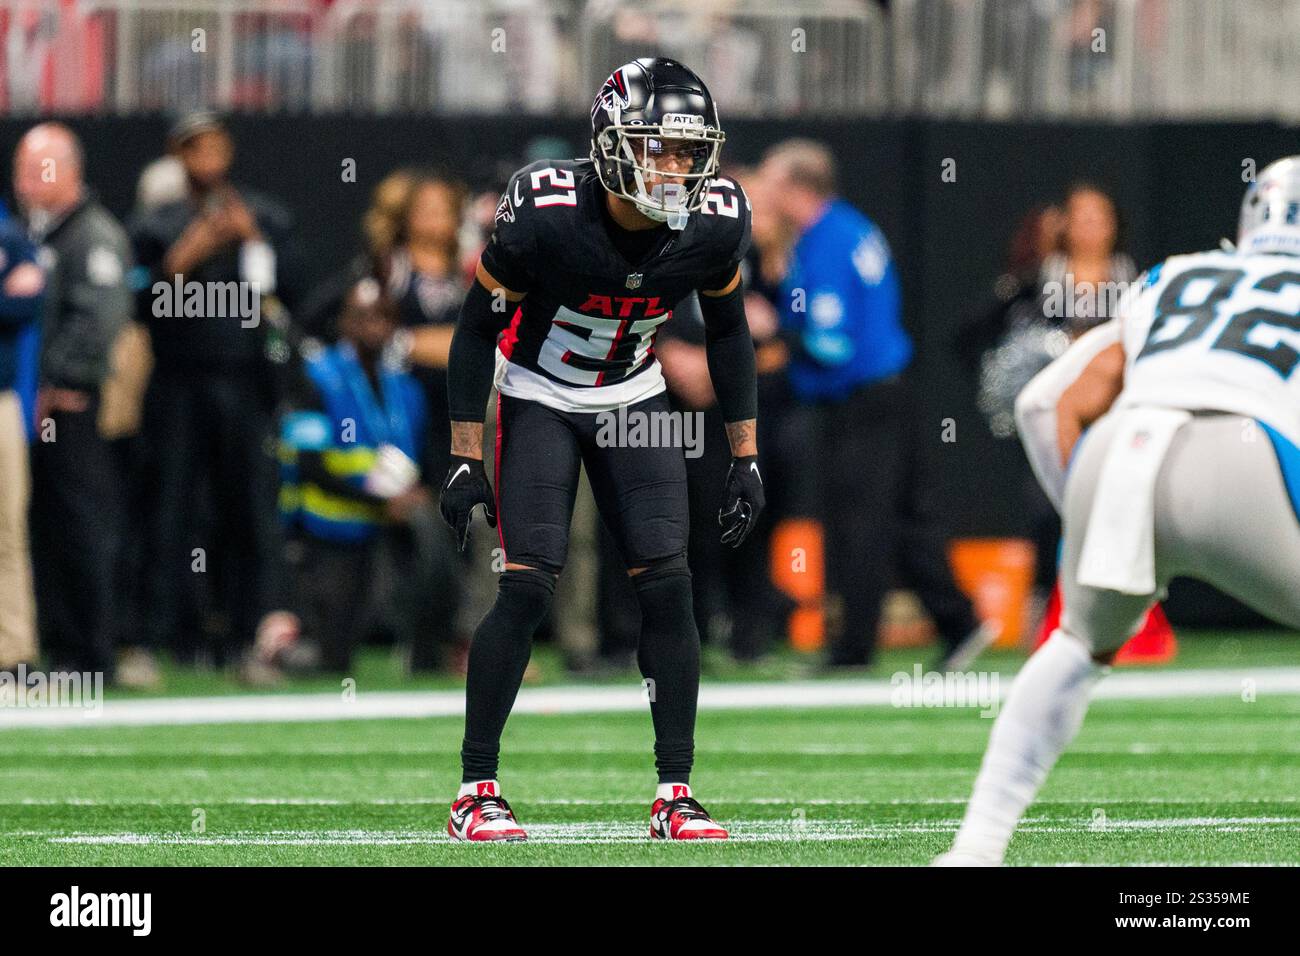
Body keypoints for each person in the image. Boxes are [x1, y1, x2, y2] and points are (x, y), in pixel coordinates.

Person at [937, 157, 1300, 866]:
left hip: (1124, 446)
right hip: (1247, 456)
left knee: (1076, 647)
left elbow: (1046, 402)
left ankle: (975, 849)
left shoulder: (1180, 274)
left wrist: (1089, 517)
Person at [440, 58, 762, 841]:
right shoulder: (545, 209)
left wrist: (745, 455)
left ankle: (675, 792)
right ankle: (475, 789)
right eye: (656, 148)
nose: (675, 167)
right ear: (611, 143)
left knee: (669, 587)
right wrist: (464, 454)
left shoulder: (716, 218)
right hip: (539, 391)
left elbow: (728, 332)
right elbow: (476, 327)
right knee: (527, 586)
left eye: (688, 152)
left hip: (632, 394)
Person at [759, 139, 983, 669]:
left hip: (861, 401)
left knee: (859, 523)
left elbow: (833, 343)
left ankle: (854, 646)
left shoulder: (828, 241)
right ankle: (960, 620)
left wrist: (775, 332)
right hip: (885, 390)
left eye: (771, 183)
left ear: (797, 188)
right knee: (908, 516)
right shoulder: (845, 228)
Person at [129, 112, 299, 675]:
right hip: (180, 379)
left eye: (216, 147)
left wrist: (252, 239)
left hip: (245, 381)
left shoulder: (261, 214)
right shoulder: (157, 224)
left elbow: (290, 293)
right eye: (195, 149)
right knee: (171, 508)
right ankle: (157, 636)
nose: (208, 159)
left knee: (249, 509)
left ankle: (251, 635)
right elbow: (141, 305)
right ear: (179, 156)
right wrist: (189, 251)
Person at [281, 278, 454, 672]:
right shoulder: (317, 377)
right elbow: (308, 465)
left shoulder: (405, 388)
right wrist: (379, 501)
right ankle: (284, 645)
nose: (373, 326)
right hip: (329, 531)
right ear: (344, 322)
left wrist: (416, 496)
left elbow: (422, 458)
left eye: (383, 317)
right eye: (363, 317)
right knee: (331, 659)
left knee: (436, 536)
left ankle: (428, 649)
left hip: (391, 527)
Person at [15, 123, 133, 678]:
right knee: (49, 525)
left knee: (81, 523)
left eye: (31, 167)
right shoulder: (43, 235)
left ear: (66, 169)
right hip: (41, 406)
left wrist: (59, 379)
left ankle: (92, 654)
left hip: (72, 407)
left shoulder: (93, 236)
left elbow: (102, 317)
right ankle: (63, 645)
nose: (21, 180)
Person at [0, 206, 44, 675]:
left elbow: (28, 304)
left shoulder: (11, 236)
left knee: (7, 531)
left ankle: (13, 656)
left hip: (2, 402)